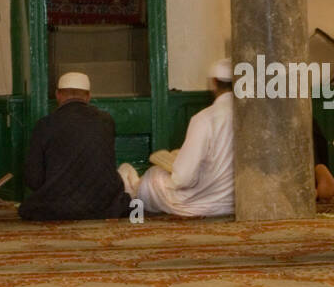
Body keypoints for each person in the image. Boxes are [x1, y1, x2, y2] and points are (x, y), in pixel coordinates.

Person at [120, 58, 235, 217]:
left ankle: (134, 205)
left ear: (214, 83)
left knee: (152, 176)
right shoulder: (250, 117)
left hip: (202, 204)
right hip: (232, 203)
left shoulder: (204, 119)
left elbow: (183, 179)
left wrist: (174, 168)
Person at [19, 72, 132, 221]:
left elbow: (33, 178)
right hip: (103, 205)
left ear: (58, 95)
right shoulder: (106, 121)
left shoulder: (45, 124)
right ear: (88, 96)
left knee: (28, 209)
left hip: (57, 207)